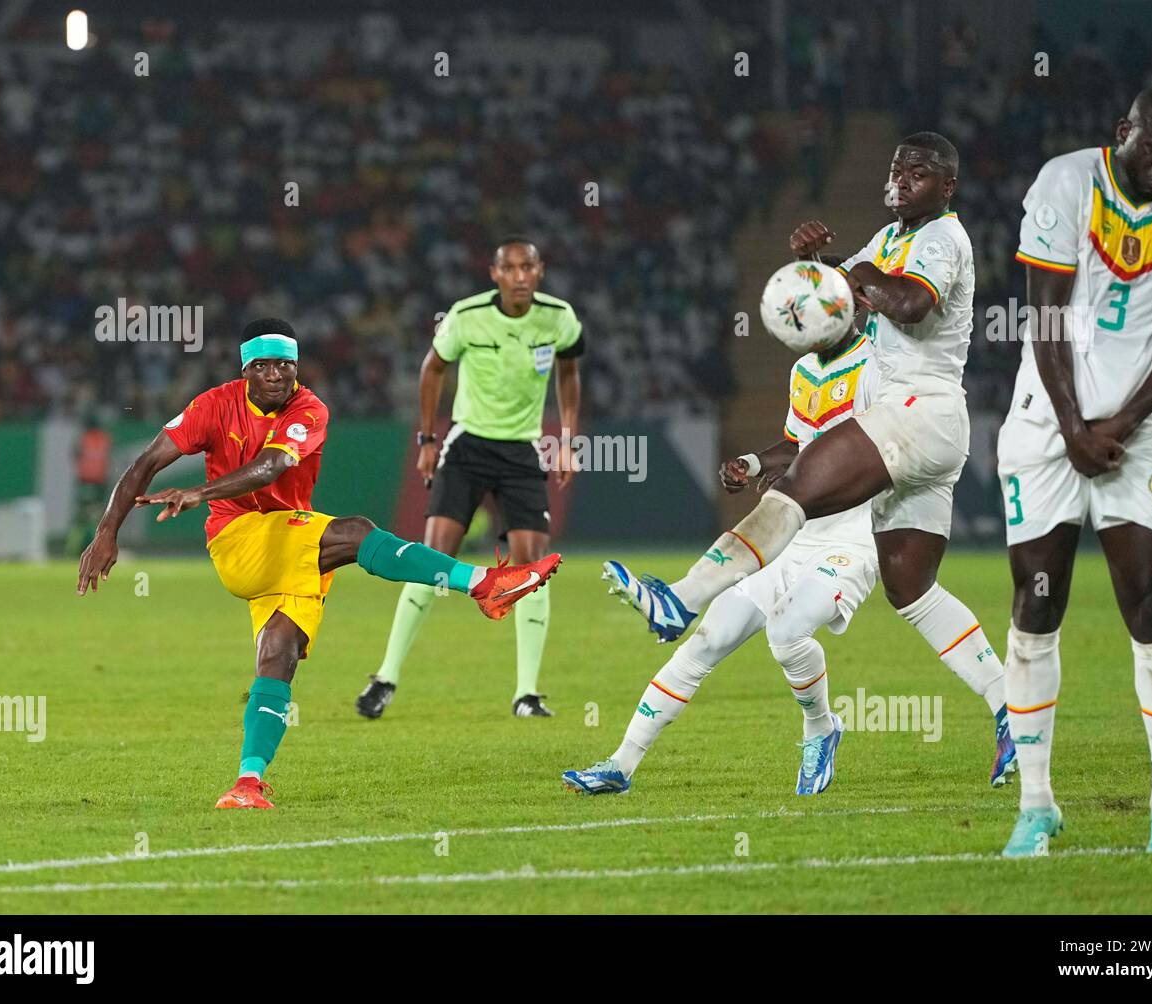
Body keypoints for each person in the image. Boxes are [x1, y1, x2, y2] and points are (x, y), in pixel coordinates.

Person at [603, 133, 1018, 786]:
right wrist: (816, 263)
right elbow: (840, 293)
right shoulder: (888, 240)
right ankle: (1011, 707)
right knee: (911, 589)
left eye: (917, 174)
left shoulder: (941, 237)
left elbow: (909, 304)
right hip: (931, 429)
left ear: (947, 187)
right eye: (896, 169)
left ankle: (679, 598)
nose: (901, 181)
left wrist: (856, 275)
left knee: (792, 492)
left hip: (916, 412)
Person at [76, 320, 560, 809]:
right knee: (356, 532)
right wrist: (105, 533)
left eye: (284, 364)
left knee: (278, 655)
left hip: (290, 548)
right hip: (239, 539)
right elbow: (143, 464)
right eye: (262, 366)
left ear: (296, 366)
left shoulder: (309, 408)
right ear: (245, 371)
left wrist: (199, 491)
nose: (275, 375)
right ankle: (483, 583)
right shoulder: (213, 405)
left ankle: (247, 783)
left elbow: (272, 466)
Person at [997, 85, 1152, 855]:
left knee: (1151, 604)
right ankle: (1036, 805)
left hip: (1137, 433)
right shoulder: (1066, 180)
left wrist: (1121, 425)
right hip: (1044, 424)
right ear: (1122, 130)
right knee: (1036, 606)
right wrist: (1072, 427)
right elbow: (1045, 314)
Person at [567, 312, 879, 795]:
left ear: (847, 308)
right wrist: (752, 464)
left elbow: (878, 453)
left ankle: (821, 728)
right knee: (708, 639)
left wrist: (804, 487)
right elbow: (799, 444)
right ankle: (620, 766)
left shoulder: (878, 366)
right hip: (791, 535)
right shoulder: (804, 370)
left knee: (787, 631)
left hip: (850, 538)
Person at [355, 237, 583, 720]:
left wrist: (566, 438)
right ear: (495, 273)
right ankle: (385, 678)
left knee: (533, 567)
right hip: (467, 446)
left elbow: (568, 372)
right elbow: (432, 368)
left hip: (521, 450)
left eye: (527, 267)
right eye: (510, 268)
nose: (519, 276)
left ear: (540, 271)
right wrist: (426, 439)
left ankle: (527, 694)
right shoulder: (467, 315)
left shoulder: (559, 318)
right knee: (431, 559)